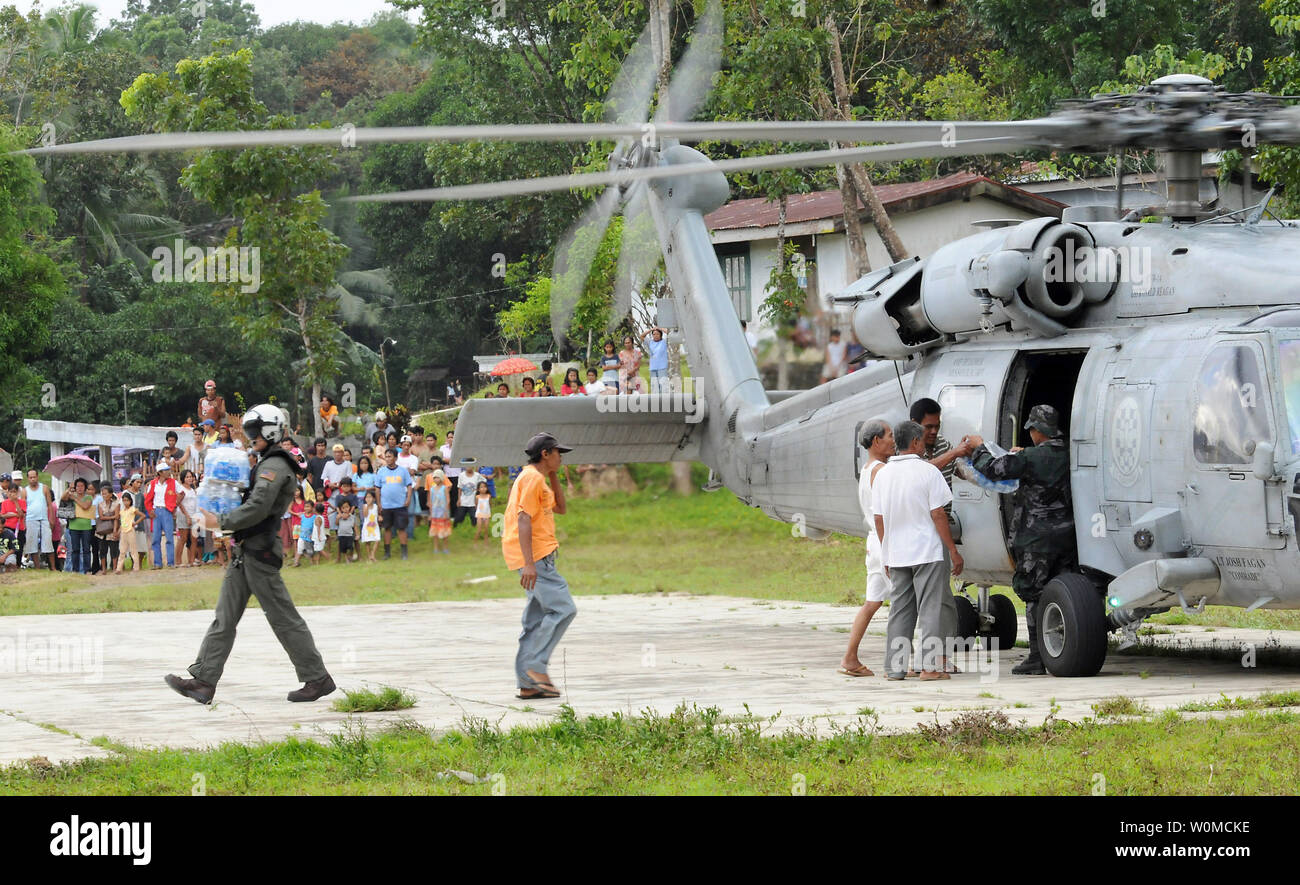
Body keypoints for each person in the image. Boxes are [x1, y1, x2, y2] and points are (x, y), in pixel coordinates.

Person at [166, 405, 335, 705]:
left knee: (283, 618)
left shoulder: (276, 466)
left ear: (269, 431)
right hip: (245, 550)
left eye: (255, 431)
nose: (251, 437)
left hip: (260, 553)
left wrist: (220, 522)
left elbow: (257, 507)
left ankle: (317, 678)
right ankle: (203, 681)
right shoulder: (267, 461)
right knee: (224, 617)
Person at [968, 404, 1076, 675]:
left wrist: (979, 448)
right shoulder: (1069, 453)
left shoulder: (1030, 458)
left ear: (1038, 431)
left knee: (1034, 595)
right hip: (1067, 537)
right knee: (1065, 592)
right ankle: (1066, 646)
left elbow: (993, 469)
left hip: (1037, 540)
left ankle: (1038, 657)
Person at [872, 420, 964, 681]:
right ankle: (930, 668)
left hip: (897, 553)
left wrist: (887, 551)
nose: (925, 445)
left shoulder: (883, 475)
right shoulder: (928, 472)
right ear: (914, 442)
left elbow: (879, 519)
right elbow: (938, 514)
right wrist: (953, 551)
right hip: (927, 551)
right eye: (923, 440)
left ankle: (895, 668)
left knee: (900, 609)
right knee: (931, 609)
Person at [503, 432, 574, 700]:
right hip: (537, 557)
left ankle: (528, 683)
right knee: (563, 609)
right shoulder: (532, 478)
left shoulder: (537, 478)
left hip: (535, 556)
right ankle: (536, 667)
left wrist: (553, 475)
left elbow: (561, 508)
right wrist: (529, 563)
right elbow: (523, 519)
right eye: (558, 453)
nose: (561, 458)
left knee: (535, 621)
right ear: (545, 454)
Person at [910, 397, 974, 672]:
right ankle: (928, 660)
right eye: (928, 426)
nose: (934, 431)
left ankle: (938, 656)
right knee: (923, 601)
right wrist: (952, 548)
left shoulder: (946, 446)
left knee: (942, 600)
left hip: (936, 533)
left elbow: (961, 470)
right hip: (920, 534)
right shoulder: (908, 450)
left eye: (937, 425)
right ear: (914, 425)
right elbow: (923, 472)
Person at [839, 419, 894, 677]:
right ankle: (902, 661)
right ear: (876, 441)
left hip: (874, 542)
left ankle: (850, 658)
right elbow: (885, 514)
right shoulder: (881, 471)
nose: (894, 440)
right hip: (885, 543)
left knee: (872, 603)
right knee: (905, 602)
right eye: (890, 435)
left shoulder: (867, 468)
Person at [375, 446, 413, 560]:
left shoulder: (403, 471)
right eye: (386, 456)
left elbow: (409, 485)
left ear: (395, 458)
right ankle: (387, 553)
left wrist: (408, 499)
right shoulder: (381, 471)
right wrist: (379, 503)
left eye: (390, 456)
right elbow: (377, 489)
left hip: (400, 505)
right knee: (387, 529)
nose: (387, 459)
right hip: (386, 505)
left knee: (401, 529)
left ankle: (404, 553)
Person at [144, 462, 183, 569]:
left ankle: (170, 562)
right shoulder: (153, 484)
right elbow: (147, 499)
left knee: (169, 537)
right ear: (160, 473)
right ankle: (158, 563)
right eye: (166, 470)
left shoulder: (173, 482)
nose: (168, 472)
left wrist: (175, 505)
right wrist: (150, 510)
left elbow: (182, 493)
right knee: (156, 538)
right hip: (156, 511)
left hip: (167, 511)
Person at [61, 478, 95, 575]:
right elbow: (63, 498)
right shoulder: (71, 496)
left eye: (82, 486)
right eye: (77, 486)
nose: (79, 488)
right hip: (73, 526)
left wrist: (75, 498)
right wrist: (69, 490)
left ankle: (87, 569)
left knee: (86, 549)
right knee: (75, 549)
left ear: (85, 488)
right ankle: (75, 570)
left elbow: (85, 506)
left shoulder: (88, 497)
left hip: (86, 527)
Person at [23, 469, 55, 571]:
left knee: (48, 544)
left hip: (44, 519)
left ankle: (53, 567)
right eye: (30, 477)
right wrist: (24, 523)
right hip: (30, 519)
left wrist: (52, 519)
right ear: (28, 478)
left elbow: (50, 505)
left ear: (37, 477)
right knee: (32, 545)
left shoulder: (44, 488)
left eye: (34, 477)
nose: (33, 479)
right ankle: (37, 568)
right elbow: (24, 508)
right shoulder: (25, 491)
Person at [115, 487, 144, 573]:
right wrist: (118, 531)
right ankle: (119, 568)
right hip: (123, 532)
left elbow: (143, 515)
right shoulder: (122, 511)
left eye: (127, 500)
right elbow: (122, 523)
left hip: (131, 531)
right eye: (124, 500)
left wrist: (135, 523)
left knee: (133, 550)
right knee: (122, 550)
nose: (125, 502)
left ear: (130, 501)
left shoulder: (132, 509)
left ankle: (136, 567)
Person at [177, 469, 200, 566]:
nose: (190, 478)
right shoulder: (181, 489)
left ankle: (191, 560)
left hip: (193, 514)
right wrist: (187, 516)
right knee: (183, 538)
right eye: (187, 477)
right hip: (183, 515)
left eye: (191, 477)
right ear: (183, 478)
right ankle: (178, 561)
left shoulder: (193, 490)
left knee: (194, 538)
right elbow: (179, 503)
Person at [426, 468, 451, 553]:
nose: (436, 479)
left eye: (438, 477)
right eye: (434, 477)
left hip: (443, 511)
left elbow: (448, 500)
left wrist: (446, 512)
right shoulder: (432, 489)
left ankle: (445, 548)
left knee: (444, 531)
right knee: (435, 531)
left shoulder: (445, 488)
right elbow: (430, 502)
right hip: (435, 512)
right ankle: (436, 548)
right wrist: (430, 513)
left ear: (441, 478)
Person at [95, 487, 119, 574]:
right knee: (102, 550)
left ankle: (114, 568)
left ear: (111, 494)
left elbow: (117, 518)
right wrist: (112, 516)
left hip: (112, 529)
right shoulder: (100, 504)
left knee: (114, 549)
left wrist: (115, 530)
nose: (104, 495)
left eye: (105, 493)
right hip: (102, 531)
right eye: (102, 494)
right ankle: (104, 569)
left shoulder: (116, 504)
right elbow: (101, 517)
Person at [456, 458, 483, 529]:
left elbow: (483, 484)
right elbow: (460, 488)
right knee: (459, 518)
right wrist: (459, 499)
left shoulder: (477, 475)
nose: (469, 467)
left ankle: (475, 530)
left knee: (474, 519)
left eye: (470, 465)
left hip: (473, 502)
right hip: (463, 501)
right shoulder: (461, 475)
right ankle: (456, 530)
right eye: (467, 465)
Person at [641, 327, 670, 393]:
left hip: (662, 367)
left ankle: (664, 401)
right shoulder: (650, 342)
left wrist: (660, 328)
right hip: (653, 368)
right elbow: (642, 336)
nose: (655, 336)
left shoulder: (664, 341)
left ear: (660, 335)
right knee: (654, 386)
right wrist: (651, 330)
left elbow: (669, 333)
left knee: (663, 385)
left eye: (657, 334)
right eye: (654, 334)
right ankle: (656, 402)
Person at [360, 489, 381, 561]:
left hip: (375, 526)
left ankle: (373, 554)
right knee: (367, 541)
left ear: (374, 498)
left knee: (377, 539)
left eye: (370, 497)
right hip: (367, 526)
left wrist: (379, 517)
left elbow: (377, 515)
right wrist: (367, 507)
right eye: (367, 497)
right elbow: (365, 515)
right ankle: (369, 556)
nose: (368, 499)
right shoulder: (364, 506)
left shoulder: (376, 506)